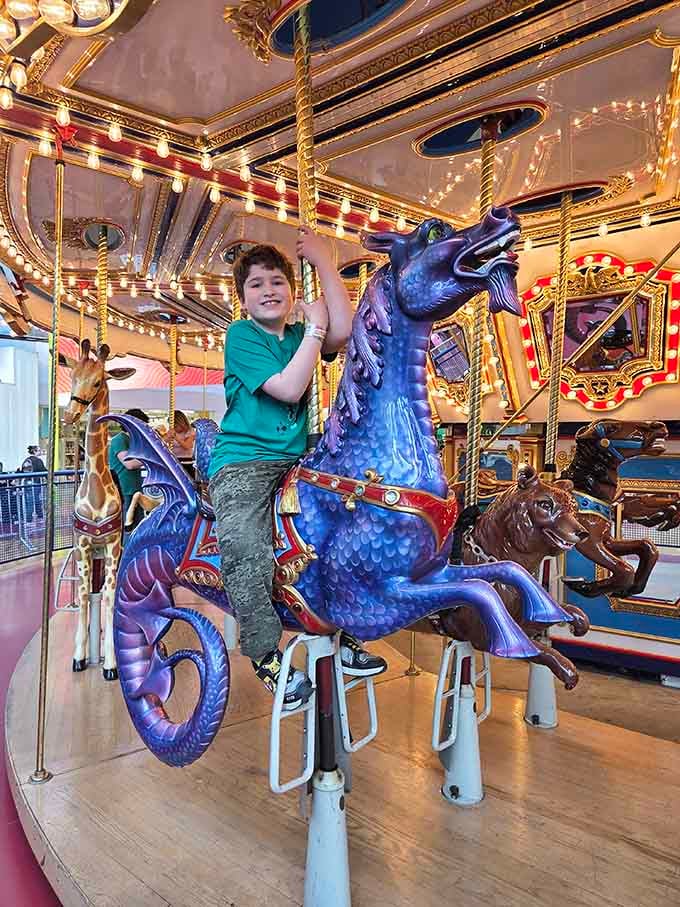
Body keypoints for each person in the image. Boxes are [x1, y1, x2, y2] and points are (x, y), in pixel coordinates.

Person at [208, 227, 387, 711]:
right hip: (244, 462)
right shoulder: (242, 336)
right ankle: (266, 651)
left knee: (345, 526)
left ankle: (344, 627)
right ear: (243, 299)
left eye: (277, 282)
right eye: (256, 284)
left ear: (291, 291)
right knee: (246, 545)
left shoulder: (295, 334)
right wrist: (312, 330)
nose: (268, 291)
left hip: (296, 456)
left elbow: (345, 332)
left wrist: (325, 262)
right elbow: (288, 389)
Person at [108, 408, 149, 533]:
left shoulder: (133, 440)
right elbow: (129, 464)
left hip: (135, 488)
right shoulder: (119, 440)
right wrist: (150, 460)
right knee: (127, 526)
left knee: (138, 526)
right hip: (124, 488)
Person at [166, 410, 196, 477]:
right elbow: (162, 442)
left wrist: (176, 437)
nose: (174, 428)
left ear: (181, 423)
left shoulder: (190, 432)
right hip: (174, 460)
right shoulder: (172, 432)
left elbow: (187, 446)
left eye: (175, 426)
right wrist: (167, 438)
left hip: (186, 462)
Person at [20, 445, 46, 523]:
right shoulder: (38, 461)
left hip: (26, 484)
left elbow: (22, 471)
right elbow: (44, 471)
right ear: (34, 452)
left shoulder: (26, 460)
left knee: (30, 501)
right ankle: (32, 519)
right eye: (39, 450)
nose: (40, 452)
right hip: (35, 483)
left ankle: (33, 518)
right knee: (36, 500)